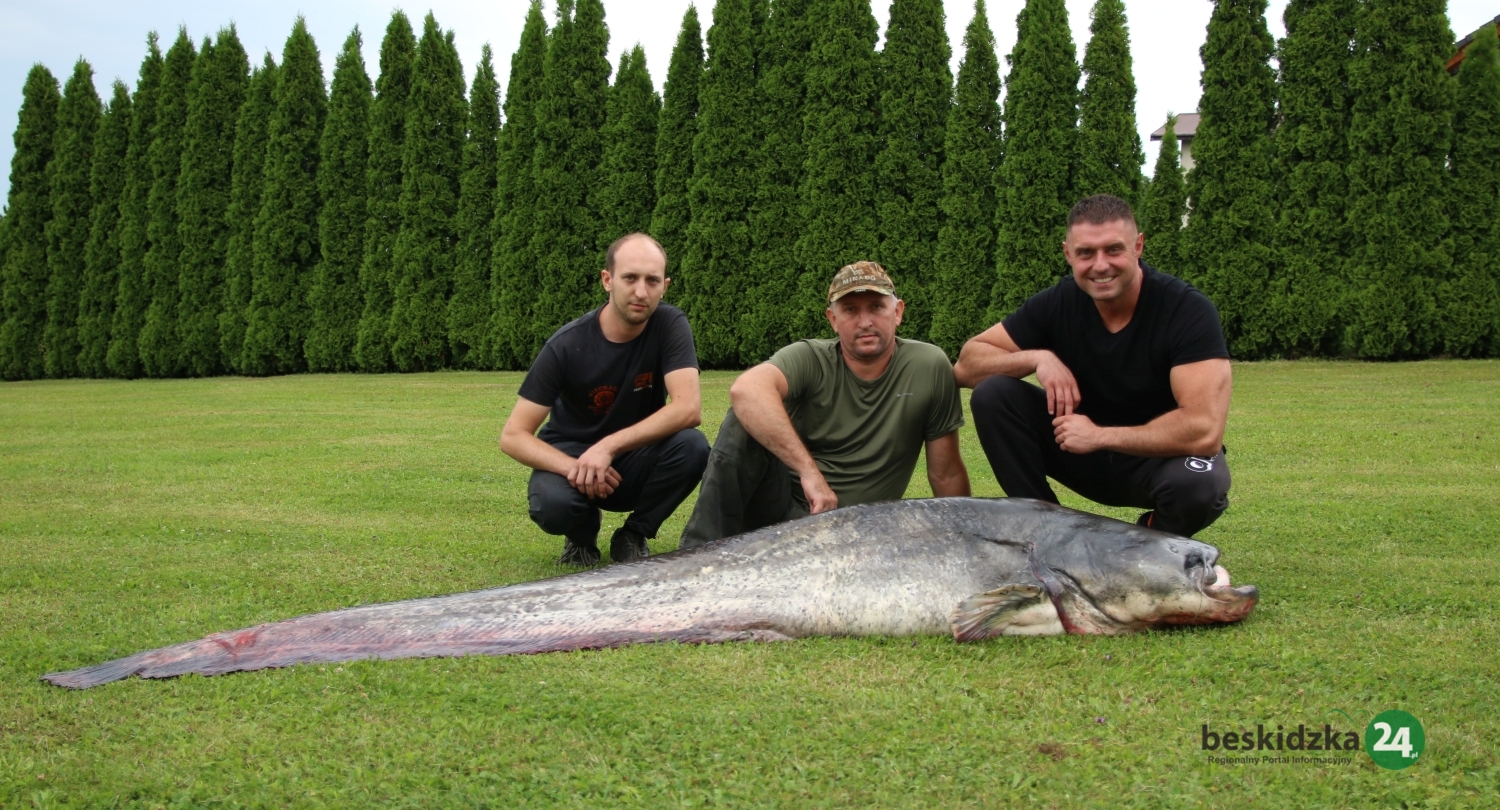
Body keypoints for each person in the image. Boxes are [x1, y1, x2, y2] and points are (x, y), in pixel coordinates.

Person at [954, 194, 1232, 537]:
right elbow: (967, 366)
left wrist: (1100, 435)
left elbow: (1204, 429)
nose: (1100, 265)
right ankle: (1046, 533)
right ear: (1068, 253)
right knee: (994, 393)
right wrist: (1038, 357)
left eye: (1113, 249)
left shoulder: (1186, 310)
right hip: (1079, 452)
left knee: (1201, 485)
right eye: (1086, 253)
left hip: (1154, 459)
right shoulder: (1058, 303)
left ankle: (1151, 540)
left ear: (1138, 246)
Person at [680, 261, 970, 547]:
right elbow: (747, 389)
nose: (865, 321)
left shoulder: (929, 366)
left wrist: (967, 537)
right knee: (744, 419)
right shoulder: (810, 357)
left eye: (876, 307)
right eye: (851, 310)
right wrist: (810, 474)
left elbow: (946, 472)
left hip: (860, 531)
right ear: (833, 319)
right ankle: (697, 554)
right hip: (784, 509)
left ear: (898, 312)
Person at [500, 233, 709, 565]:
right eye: (630, 278)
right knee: (552, 505)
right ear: (607, 280)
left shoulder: (669, 324)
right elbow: (513, 436)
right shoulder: (566, 345)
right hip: (572, 457)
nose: (641, 291)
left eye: (652, 280)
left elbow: (688, 408)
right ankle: (581, 535)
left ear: (665, 285)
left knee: (693, 447)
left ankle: (633, 534)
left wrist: (608, 446)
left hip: (632, 457)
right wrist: (576, 468)